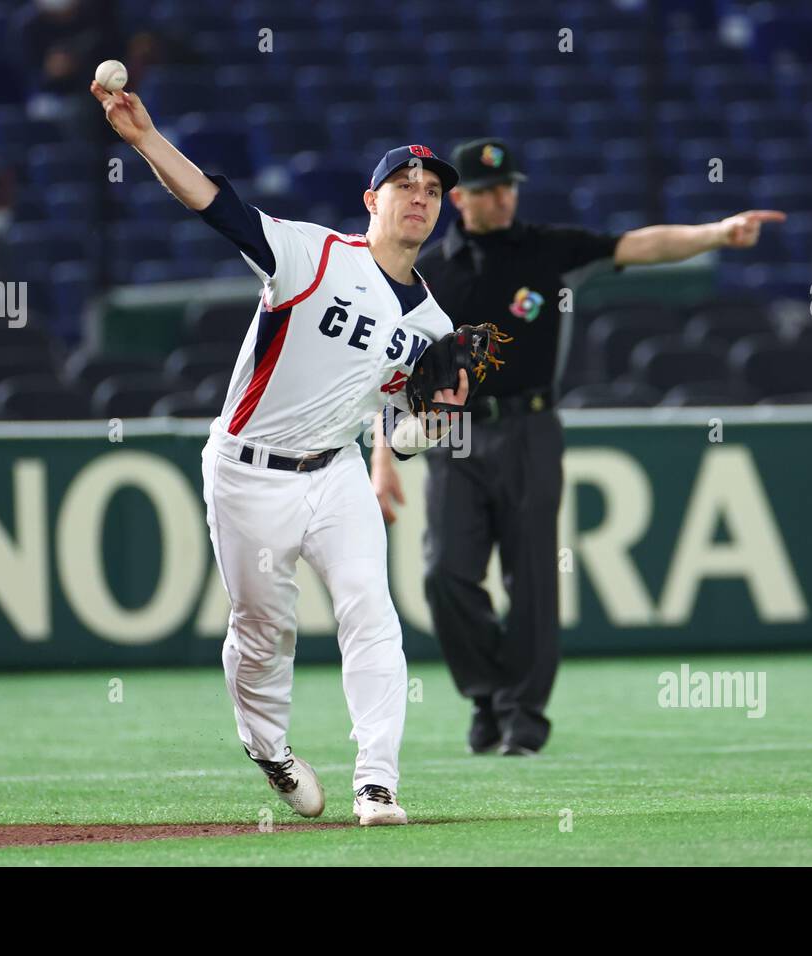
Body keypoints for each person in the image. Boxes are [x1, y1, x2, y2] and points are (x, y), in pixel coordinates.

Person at [91, 80, 470, 825]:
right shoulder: (313, 254)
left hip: (335, 474)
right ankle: (267, 747)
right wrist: (143, 138)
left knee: (372, 612)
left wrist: (437, 419)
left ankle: (377, 783)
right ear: (372, 202)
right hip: (247, 471)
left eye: (431, 188)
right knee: (265, 633)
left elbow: (401, 429)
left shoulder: (434, 324)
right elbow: (215, 204)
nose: (420, 196)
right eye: (403, 183)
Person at [371, 138, 785, 756]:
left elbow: (638, 246)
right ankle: (487, 693)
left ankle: (525, 714)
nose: (502, 196)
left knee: (533, 575)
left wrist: (717, 234)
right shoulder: (431, 272)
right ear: (461, 199)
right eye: (487, 189)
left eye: (508, 185)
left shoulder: (546, 249)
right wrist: (385, 458)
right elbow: (395, 372)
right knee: (443, 574)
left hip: (531, 425)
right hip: (452, 434)